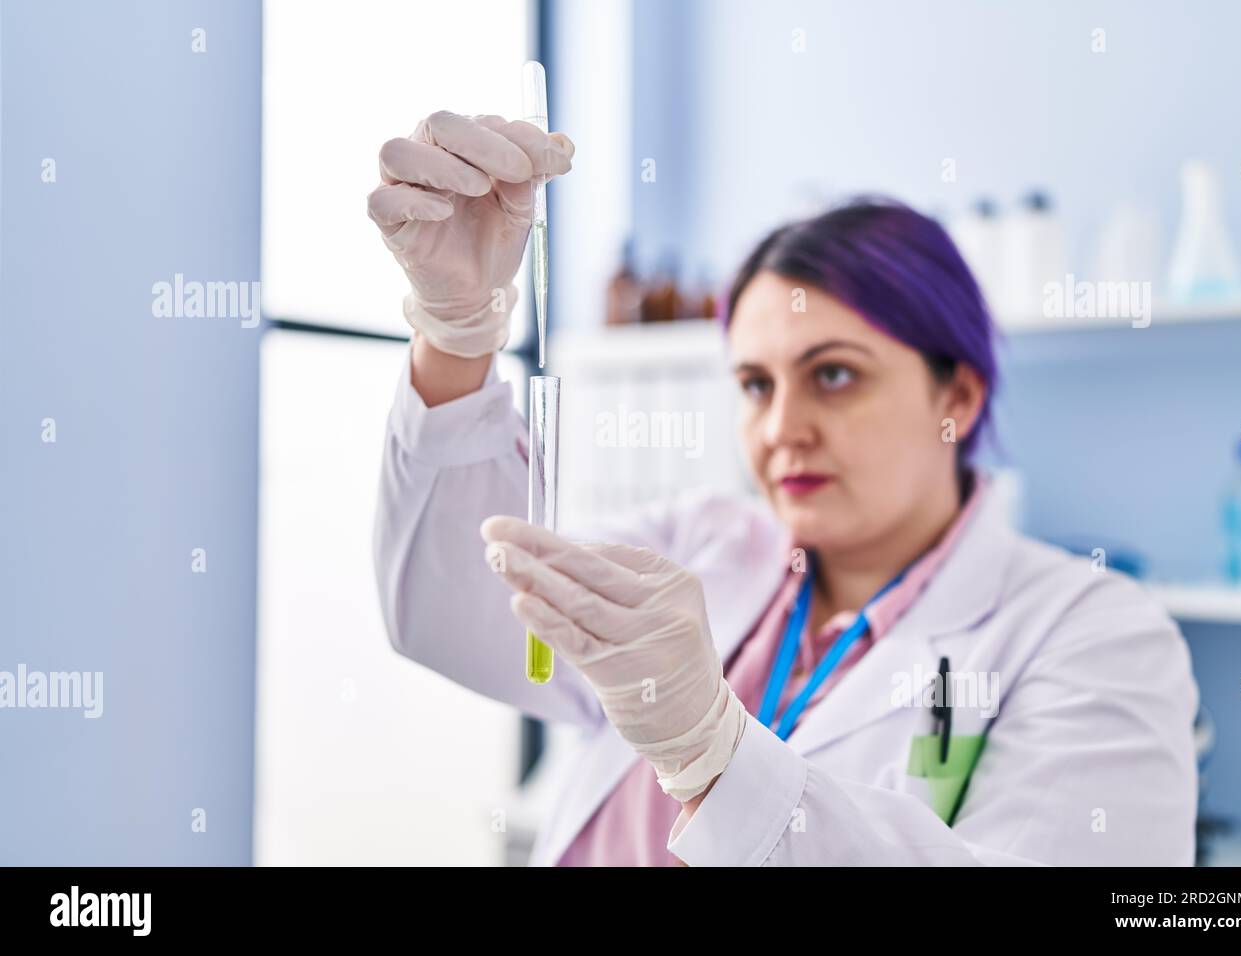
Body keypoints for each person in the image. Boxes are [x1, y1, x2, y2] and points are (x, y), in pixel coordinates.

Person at [368, 111, 1199, 867]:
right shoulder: (698, 545)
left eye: (833, 374)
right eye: (757, 385)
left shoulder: (1096, 637)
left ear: (958, 397)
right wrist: (456, 337)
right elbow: (453, 614)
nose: (780, 430)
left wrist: (716, 756)